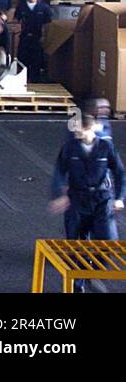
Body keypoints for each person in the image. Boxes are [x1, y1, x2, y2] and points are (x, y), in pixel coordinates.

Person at [50, 110, 126, 289]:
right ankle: (78, 284)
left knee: (107, 240)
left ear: (91, 128)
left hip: (101, 199)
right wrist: (58, 196)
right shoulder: (70, 148)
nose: (76, 133)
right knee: (76, 244)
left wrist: (119, 198)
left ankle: (92, 269)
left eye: (80, 129)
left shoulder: (105, 148)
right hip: (77, 200)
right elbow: (59, 171)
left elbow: (119, 172)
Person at [14, 0, 54, 81]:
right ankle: (23, 79)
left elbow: (48, 24)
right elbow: (16, 20)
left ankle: (35, 80)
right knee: (23, 59)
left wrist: (44, 36)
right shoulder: (21, 6)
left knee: (36, 60)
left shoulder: (44, 7)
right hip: (24, 37)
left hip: (38, 38)